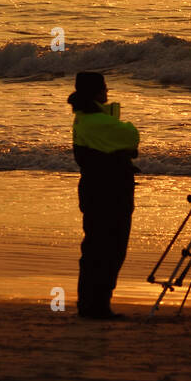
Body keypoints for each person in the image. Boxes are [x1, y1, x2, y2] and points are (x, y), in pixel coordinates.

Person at [66, 71, 139, 319]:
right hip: (108, 192)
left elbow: (125, 141)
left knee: (98, 248)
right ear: (96, 93)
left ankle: (93, 304)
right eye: (104, 88)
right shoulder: (94, 122)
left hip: (97, 189)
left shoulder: (86, 119)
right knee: (109, 248)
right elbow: (131, 135)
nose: (107, 92)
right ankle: (96, 305)